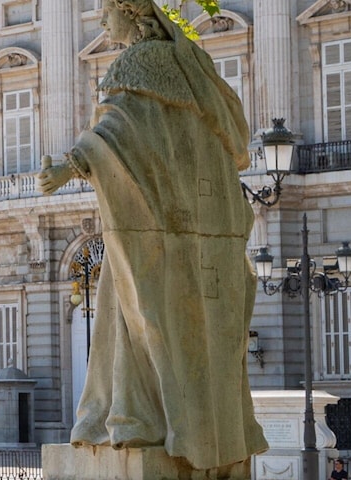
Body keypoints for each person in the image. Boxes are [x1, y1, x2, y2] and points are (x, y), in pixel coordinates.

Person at [35, 0, 267, 471]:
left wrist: (71, 164)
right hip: (191, 223)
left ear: (133, 15)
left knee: (138, 318)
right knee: (154, 321)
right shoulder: (188, 65)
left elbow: (121, 128)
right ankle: (152, 419)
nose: (101, 22)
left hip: (161, 223)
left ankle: (136, 418)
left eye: (108, 12)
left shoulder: (138, 63)